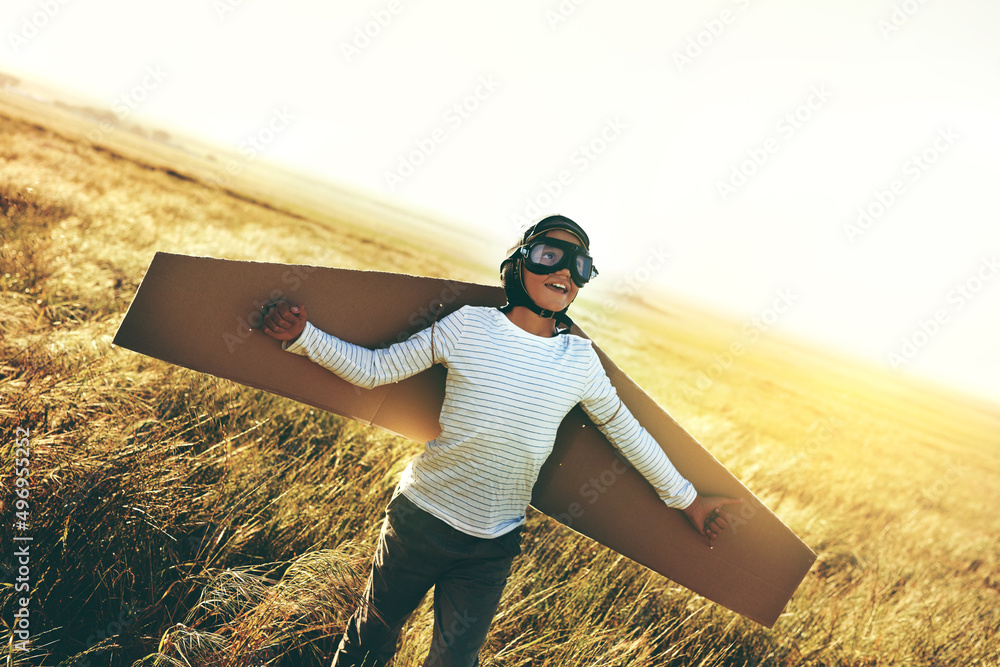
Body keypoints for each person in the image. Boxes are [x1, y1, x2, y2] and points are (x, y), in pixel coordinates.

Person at [259, 215, 742, 667]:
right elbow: (376, 370)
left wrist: (689, 501)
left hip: (492, 547)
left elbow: (628, 435)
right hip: (420, 523)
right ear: (520, 263)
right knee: (369, 643)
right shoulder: (469, 325)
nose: (565, 272)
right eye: (551, 255)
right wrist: (303, 335)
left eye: (579, 266)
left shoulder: (579, 361)